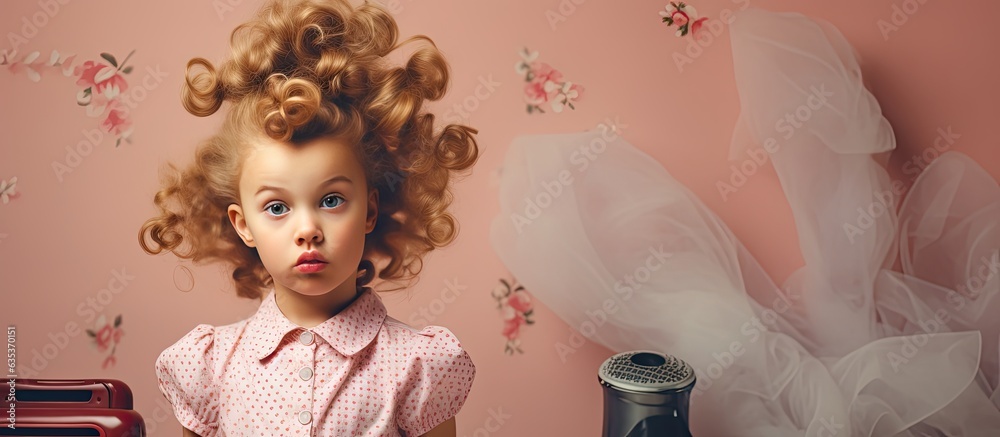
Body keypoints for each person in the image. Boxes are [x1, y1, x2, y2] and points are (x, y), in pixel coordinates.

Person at [138, 0, 480, 435]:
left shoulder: (416, 366)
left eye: (332, 200)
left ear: (370, 210)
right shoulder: (209, 366)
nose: (307, 231)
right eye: (277, 208)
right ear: (243, 224)